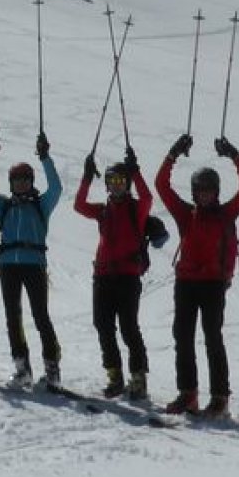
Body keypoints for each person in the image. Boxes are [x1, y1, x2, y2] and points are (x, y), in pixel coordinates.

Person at [154, 134, 239, 417]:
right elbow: (161, 184)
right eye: (200, 191)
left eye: (209, 191)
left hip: (212, 285)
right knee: (183, 337)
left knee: (213, 338)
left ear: (216, 191)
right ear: (193, 192)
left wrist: (234, 155)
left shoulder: (227, 213)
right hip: (186, 283)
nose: (204, 195)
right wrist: (173, 153)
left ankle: (220, 398)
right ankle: (188, 394)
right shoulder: (184, 214)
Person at [0, 128, 63, 388]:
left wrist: (45, 157)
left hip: (34, 265)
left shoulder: (41, 205)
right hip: (8, 267)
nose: (21, 183)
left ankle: (52, 369)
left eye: (26, 178)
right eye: (17, 179)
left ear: (31, 181)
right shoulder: (4, 206)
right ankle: (22, 368)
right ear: (11, 183)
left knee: (40, 316)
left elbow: (56, 188)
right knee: (12, 316)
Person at [72, 147, 153, 402]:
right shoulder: (103, 210)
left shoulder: (135, 209)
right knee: (103, 325)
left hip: (128, 277)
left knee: (129, 328)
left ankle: (138, 378)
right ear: (107, 185)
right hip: (103, 277)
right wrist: (86, 177)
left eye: (121, 180)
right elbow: (78, 206)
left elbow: (148, 197)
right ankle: (115, 376)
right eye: (112, 181)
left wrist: (137, 172)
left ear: (126, 183)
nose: (116, 185)